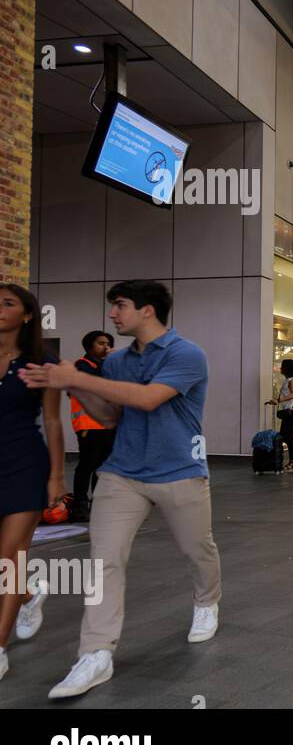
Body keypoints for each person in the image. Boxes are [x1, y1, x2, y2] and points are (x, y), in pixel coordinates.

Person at [20, 280, 221, 699]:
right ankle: (95, 654)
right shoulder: (117, 362)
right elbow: (110, 417)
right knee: (102, 562)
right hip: (122, 473)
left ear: (147, 311)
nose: (113, 314)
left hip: (179, 470)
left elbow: (148, 399)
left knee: (197, 549)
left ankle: (206, 602)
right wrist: (73, 384)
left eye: (121, 306)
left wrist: (79, 377)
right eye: (113, 306)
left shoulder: (187, 354)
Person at [0, 284, 64, 685]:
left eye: (6, 303)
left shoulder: (41, 361)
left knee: (8, 556)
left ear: (26, 315)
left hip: (24, 462)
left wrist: (57, 475)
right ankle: (27, 594)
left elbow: (54, 421)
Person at [69, 330, 117, 522]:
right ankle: (80, 505)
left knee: (102, 468)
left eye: (108, 343)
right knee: (86, 466)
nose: (105, 347)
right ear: (89, 346)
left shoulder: (105, 365)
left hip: (107, 425)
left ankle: (98, 504)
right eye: (101, 343)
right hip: (88, 425)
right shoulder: (82, 365)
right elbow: (96, 383)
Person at [264, 359, 293, 472]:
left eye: (282, 366)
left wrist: (278, 400)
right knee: (287, 436)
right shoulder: (289, 380)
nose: (281, 368)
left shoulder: (291, 380)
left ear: (287, 368)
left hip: (292, 410)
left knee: (285, 436)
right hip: (291, 410)